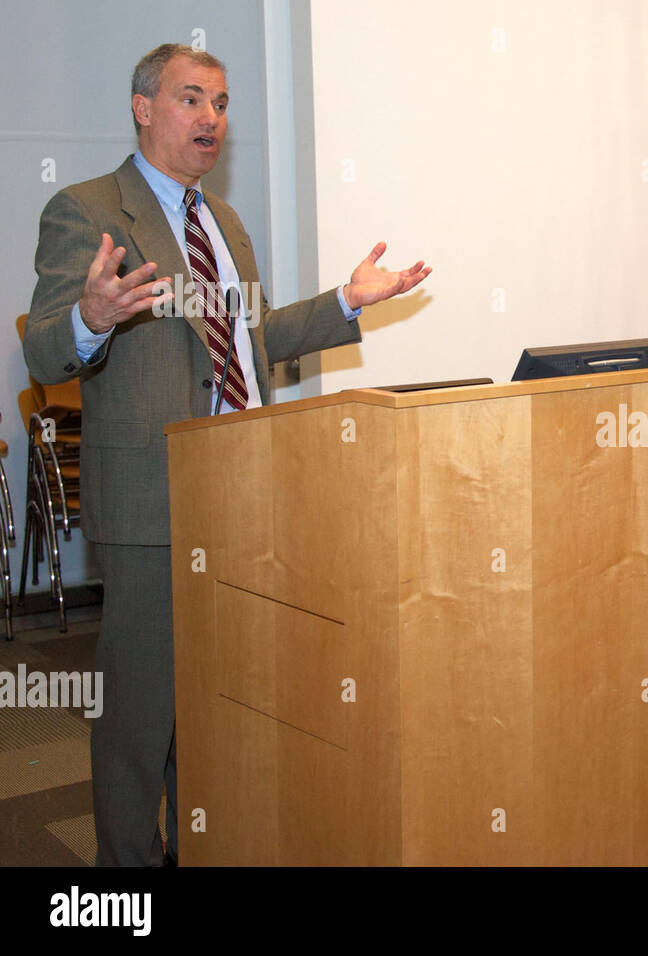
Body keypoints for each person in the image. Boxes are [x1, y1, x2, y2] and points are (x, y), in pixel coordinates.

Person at [22, 44, 431, 866]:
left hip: (240, 494)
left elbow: (251, 343)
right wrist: (90, 318)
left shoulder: (225, 224)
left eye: (221, 102)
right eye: (191, 98)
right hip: (151, 501)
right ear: (144, 107)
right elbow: (43, 351)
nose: (212, 117)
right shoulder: (89, 209)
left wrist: (345, 304)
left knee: (212, 703)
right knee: (139, 713)